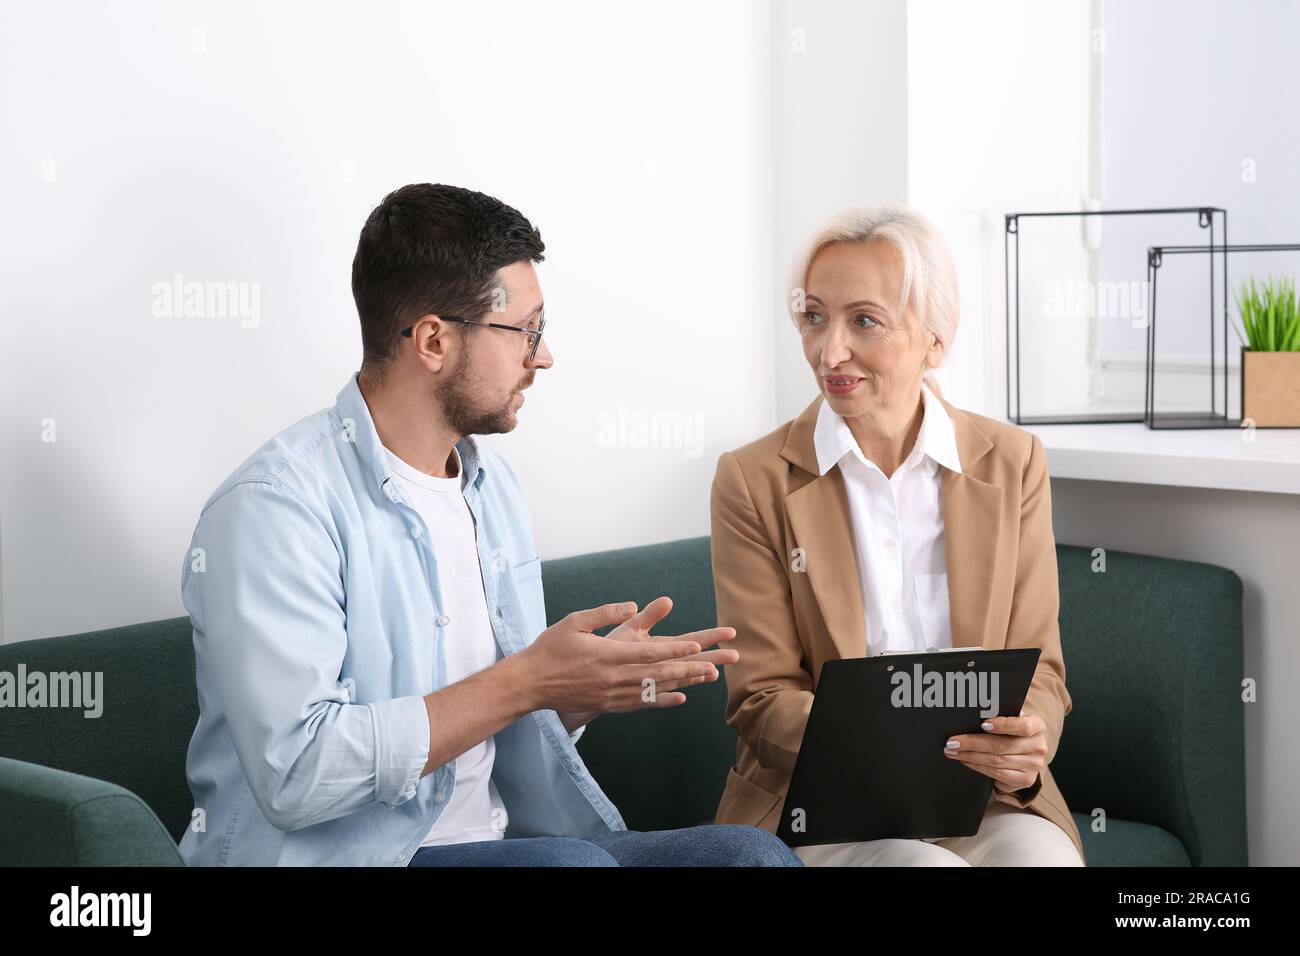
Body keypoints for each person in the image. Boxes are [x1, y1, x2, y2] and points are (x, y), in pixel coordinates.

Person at [178, 183, 800, 867]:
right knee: (571, 869)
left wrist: (579, 688)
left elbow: (494, 719)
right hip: (348, 859)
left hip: (502, 846)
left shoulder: (490, 486)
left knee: (751, 858)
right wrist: (529, 681)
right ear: (435, 341)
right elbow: (295, 775)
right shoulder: (275, 508)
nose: (543, 356)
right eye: (524, 331)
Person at [709, 204, 1085, 866]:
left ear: (934, 340)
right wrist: (901, 747)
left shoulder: (1013, 462)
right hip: (825, 800)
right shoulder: (752, 481)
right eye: (814, 317)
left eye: (864, 321)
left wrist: (1030, 739)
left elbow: (1040, 667)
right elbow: (761, 699)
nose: (830, 351)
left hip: (985, 795)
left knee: (1043, 862)